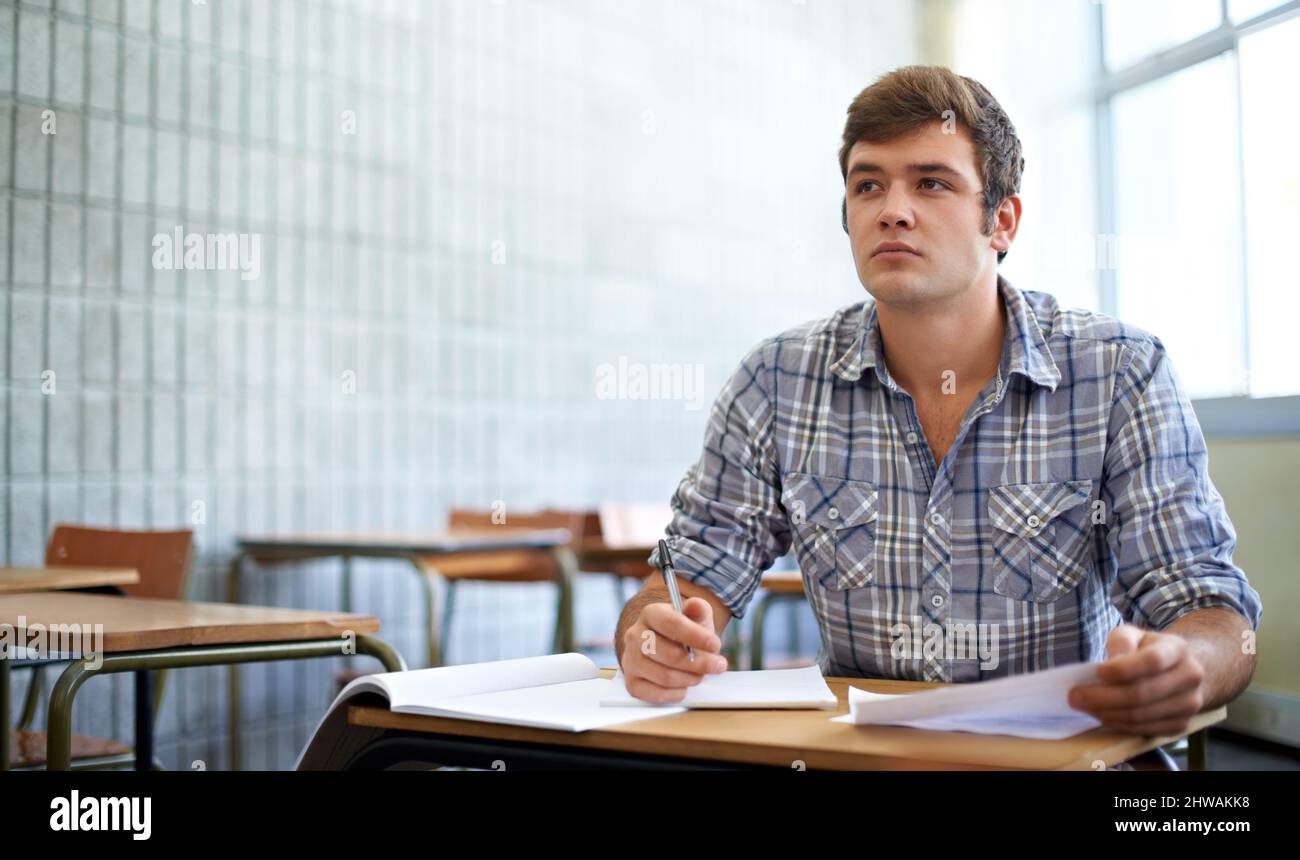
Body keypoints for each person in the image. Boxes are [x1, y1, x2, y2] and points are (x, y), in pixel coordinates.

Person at [614, 65, 1262, 737]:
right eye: (868, 185)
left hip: (1056, 762)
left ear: (1001, 220)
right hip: (863, 760)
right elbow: (689, 579)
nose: (892, 208)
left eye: (931, 182)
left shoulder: (1120, 373)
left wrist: (1180, 664)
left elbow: (1207, 606)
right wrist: (655, 638)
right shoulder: (775, 381)